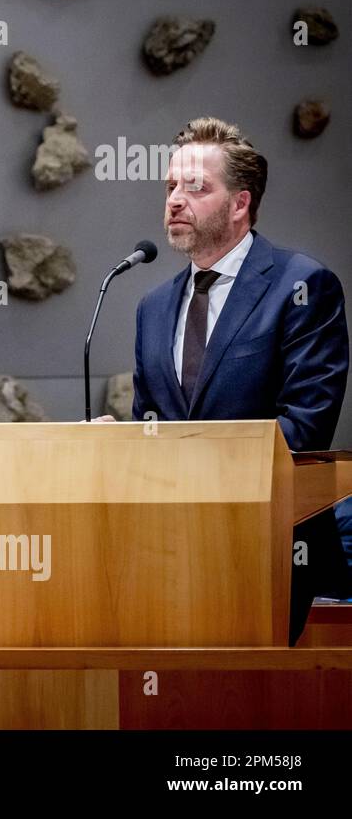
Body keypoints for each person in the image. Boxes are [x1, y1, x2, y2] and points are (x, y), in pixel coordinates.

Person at [103, 117, 351, 633]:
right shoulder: (152, 307)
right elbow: (152, 422)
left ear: (240, 204)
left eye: (195, 187)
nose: (174, 199)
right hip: (168, 559)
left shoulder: (301, 285)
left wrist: (173, 449)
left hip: (273, 557)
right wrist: (123, 442)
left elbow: (301, 432)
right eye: (171, 185)